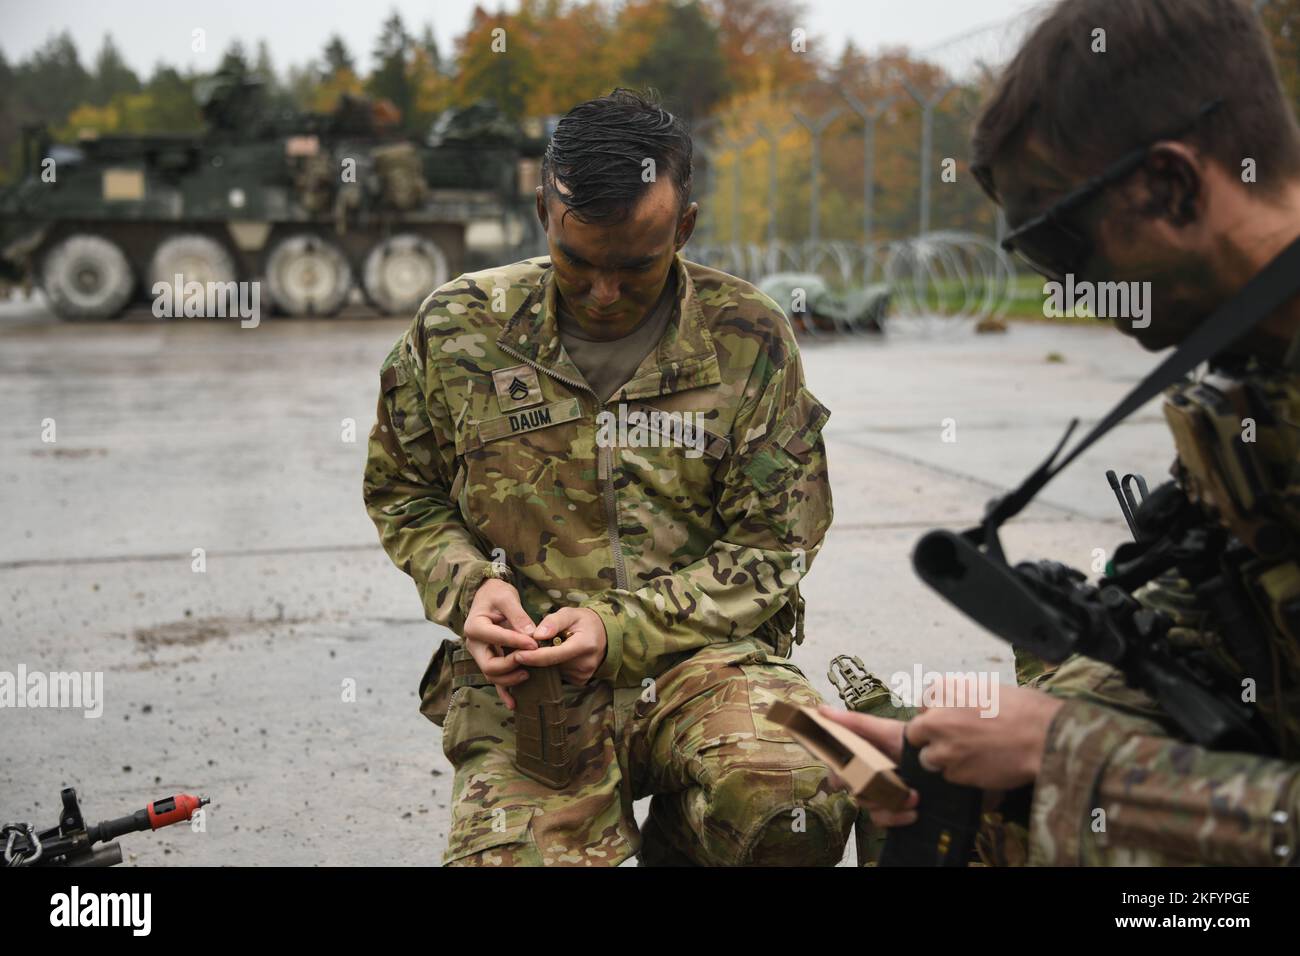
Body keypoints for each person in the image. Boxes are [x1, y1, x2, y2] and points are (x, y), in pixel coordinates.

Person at [824, 0, 1300, 866]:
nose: (1070, 293)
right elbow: (1203, 626)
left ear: (1170, 185)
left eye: (1063, 248)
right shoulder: (1258, 373)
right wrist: (970, 748)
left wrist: (1069, 754)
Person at [363, 89, 855, 866]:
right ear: (542, 214)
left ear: (684, 227)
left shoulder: (747, 335)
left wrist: (619, 628)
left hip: (706, 664)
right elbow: (404, 490)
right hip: (531, 693)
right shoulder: (459, 329)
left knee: (798, 799)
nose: (603, 293)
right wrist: (468, 587)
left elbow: (775, 546)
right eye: (578, 261)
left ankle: (691, 844)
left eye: (635, 266)